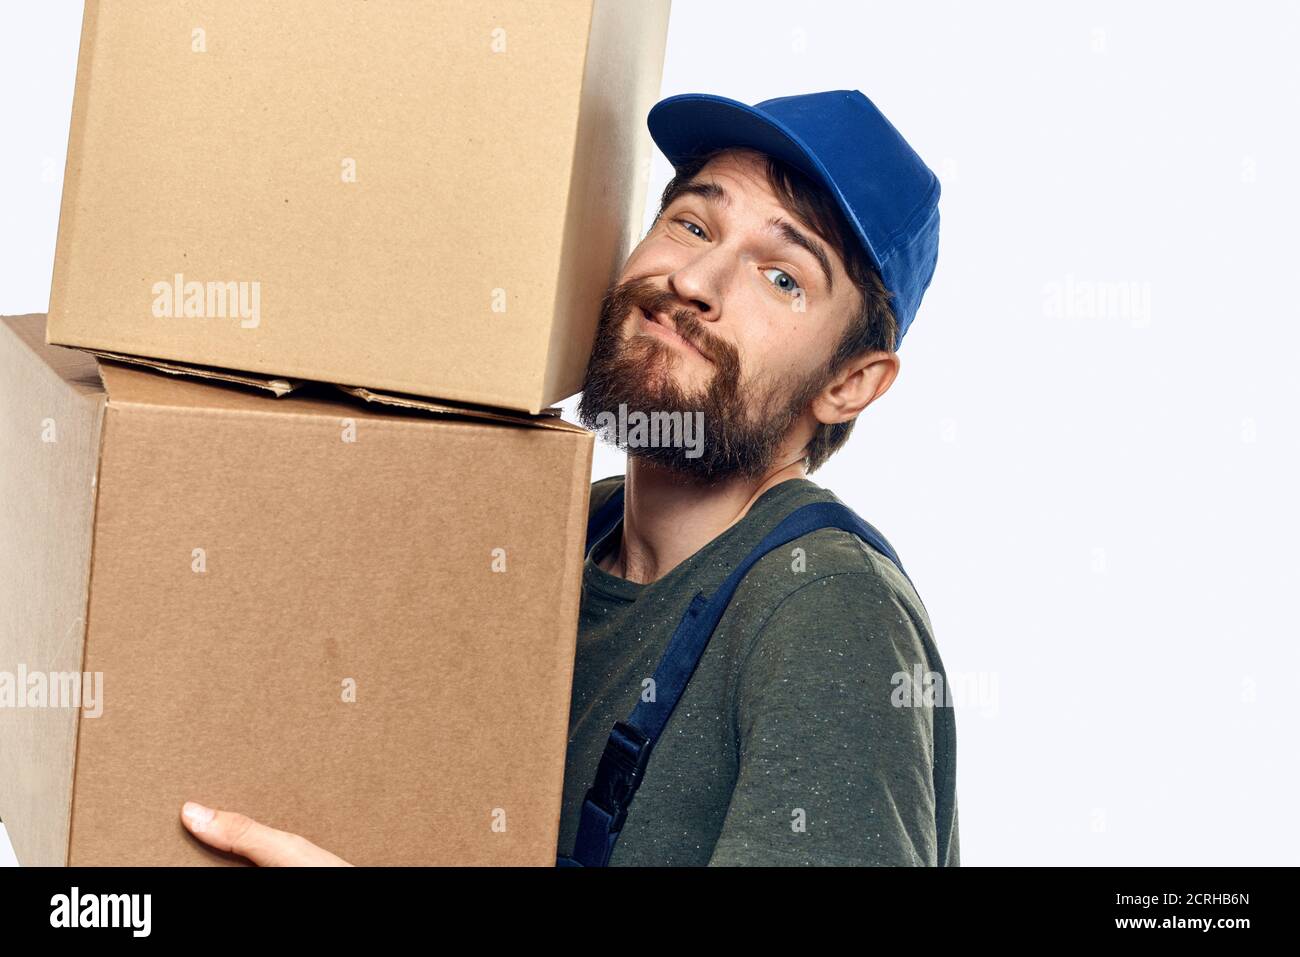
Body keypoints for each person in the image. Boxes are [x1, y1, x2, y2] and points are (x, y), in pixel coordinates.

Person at [181, 89, 959, 866]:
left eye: (783, 277)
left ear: (851, 382)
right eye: (692, 224)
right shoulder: (550, 536)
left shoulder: (825, 609)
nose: (695, 280)